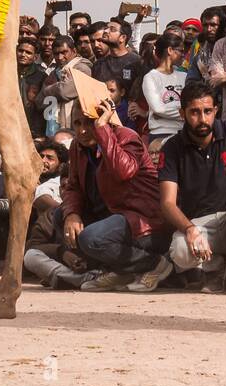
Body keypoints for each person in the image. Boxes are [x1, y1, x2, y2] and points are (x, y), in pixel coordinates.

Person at [62, 97, 171, 292]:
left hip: (142, 220)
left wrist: (102, 129)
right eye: (77, 124)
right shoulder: (77, 147)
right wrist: (72, 213)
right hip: (113, 216)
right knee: (61, 218)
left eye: (89, 122)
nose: (83, 130)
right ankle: (121, 271)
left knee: (90, 238)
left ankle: (154, 263)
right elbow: (73, 187)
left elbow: (124, 171)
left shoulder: (126, 136)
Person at [157, 81, 226, 294]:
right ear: (182, 113)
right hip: (202, 227)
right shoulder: (172, 148)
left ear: (216, 111)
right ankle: (214, 268)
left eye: (208, 111)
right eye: (194, 112)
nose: (202, 119)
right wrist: (190, 229)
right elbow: (167, 203)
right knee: (180, 249)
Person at [141, 33, 186, 143]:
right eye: (181, 51)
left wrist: (186, 112)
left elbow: (190, 104)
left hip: (183, 132)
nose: (183, 55)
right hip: (160, 134)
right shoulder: (150, 77)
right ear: (170, 50)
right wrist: (186, 113)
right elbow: (158, 109)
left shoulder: (184, 76)